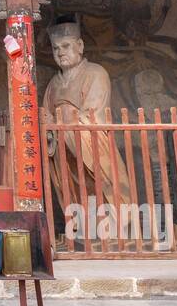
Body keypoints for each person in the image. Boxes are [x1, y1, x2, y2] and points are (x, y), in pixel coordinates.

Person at [41, 21, 132, 214]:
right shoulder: (53, 83)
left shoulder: (96, 73)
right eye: (55, 48)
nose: (60, 52)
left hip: (88, 142)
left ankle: (116, 227)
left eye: (66, 46)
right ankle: (82, 227)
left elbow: (93, 115)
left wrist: (63, 127)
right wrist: (51, 129)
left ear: (80, 46)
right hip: (62, 149)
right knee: (73, 192)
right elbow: (46, 114)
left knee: (103, 187)